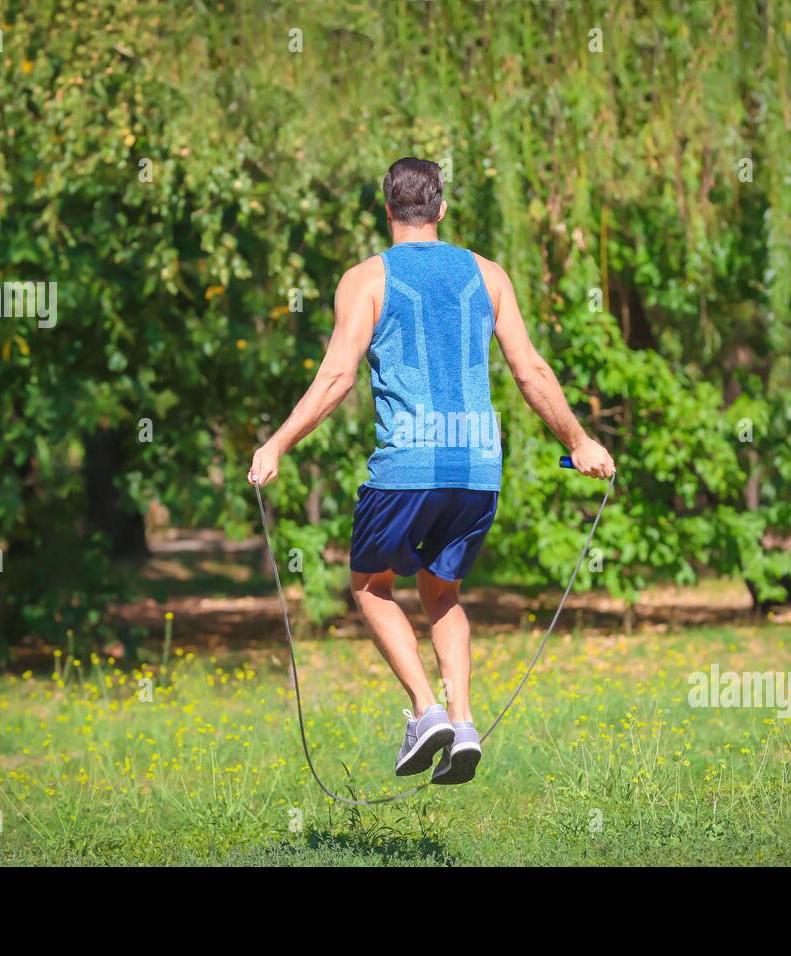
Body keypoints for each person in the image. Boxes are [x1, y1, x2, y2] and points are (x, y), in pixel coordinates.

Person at [248, 157, 614, 784]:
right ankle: (465, 722)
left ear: (386, 209)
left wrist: (277, 444)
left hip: (408, 463)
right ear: (441, 208)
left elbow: (336, 376)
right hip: (477, 464)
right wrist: (580, 440)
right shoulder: (488, 273)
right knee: (441, 592)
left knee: (369, 585)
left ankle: (427, 711)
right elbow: (531, 372)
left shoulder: (365, 278)